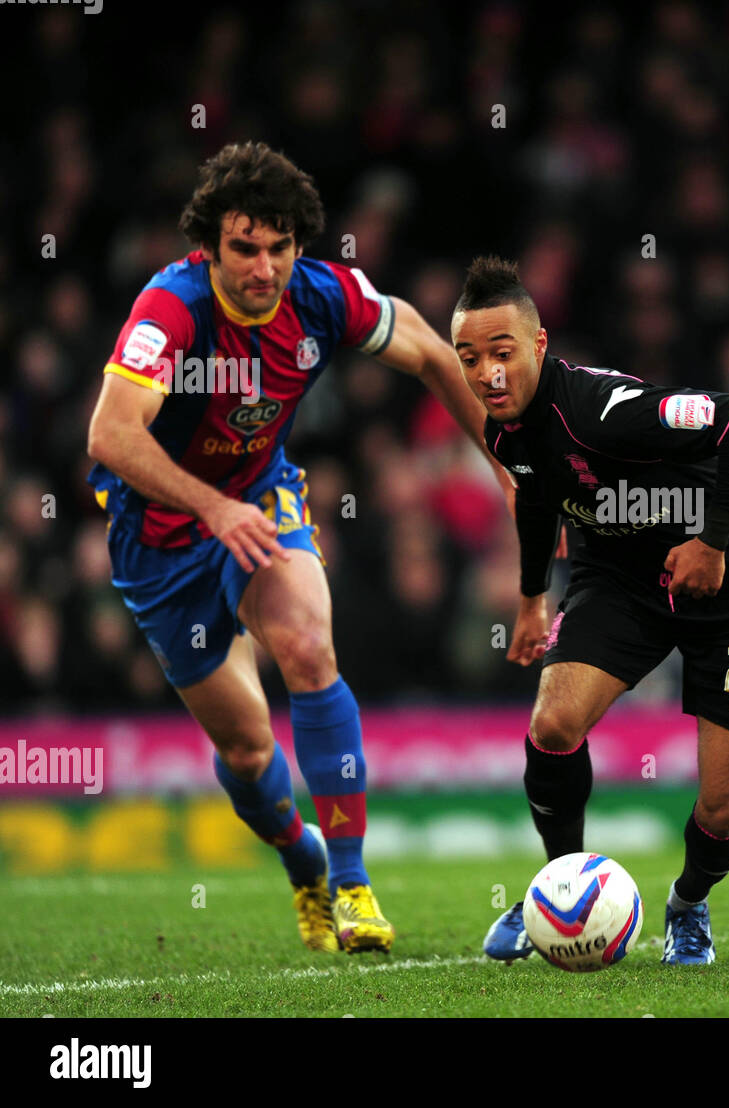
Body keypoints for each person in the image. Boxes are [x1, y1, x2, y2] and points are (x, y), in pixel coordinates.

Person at [86, 142, 512, 954]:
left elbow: (427, 348)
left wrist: (505, 467)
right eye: (245, 247)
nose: (264, 267)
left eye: (280, 247)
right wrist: (210, 507)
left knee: (310, 648)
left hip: (260, 501)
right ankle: (302, 859)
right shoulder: (170, 310)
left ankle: (353, 885)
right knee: (248, 751)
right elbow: (108, 433)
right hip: (161, 542)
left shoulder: (322, 297)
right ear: (207, 245)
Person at [456, 256, 729, 965]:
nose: (487, 373)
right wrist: (529, 600)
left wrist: (710, 540)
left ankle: (690, 905)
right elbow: (536, 499)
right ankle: (560, 886)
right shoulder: (502, 432)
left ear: (539, 345)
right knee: (552, 723)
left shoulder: (601, 411)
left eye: (501, 352)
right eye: (468, 358)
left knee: (723, 805)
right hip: (619, 578)